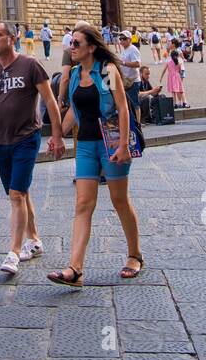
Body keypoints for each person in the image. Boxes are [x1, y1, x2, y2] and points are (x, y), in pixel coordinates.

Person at [0, 21, 65, 275]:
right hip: (0, 141)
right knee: (20, 191)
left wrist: (57, 135)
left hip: (26, 138)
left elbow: (50, 101)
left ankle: (13, 252)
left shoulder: (30, 65)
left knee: (16, 195)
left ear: (12, 37)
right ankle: (35, 240)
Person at [47, 24, 142, 288]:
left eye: (77, 43)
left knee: (119, 200)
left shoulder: (108, 71)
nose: (71, 48)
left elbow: (123, 109)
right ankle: (75, 269)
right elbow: (74, 112)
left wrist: (123, 145)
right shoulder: (76, 75)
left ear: (91, 46)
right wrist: (58, 137)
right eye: (71, 43)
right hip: (86, 145)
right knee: (83, 204)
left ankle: (135, 255)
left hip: (110, 144)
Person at [117, 30, 144, 124]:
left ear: (129, 39)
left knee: (134, 103)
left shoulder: (133, 49)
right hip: (126, 80)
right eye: (120, 39)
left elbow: (137, 64)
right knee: (127, 102)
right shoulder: (125, 50)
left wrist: (123, 63)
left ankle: (138, 123)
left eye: (124, 39)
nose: (121, 41)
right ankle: (130, 121)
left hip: (133, 80)